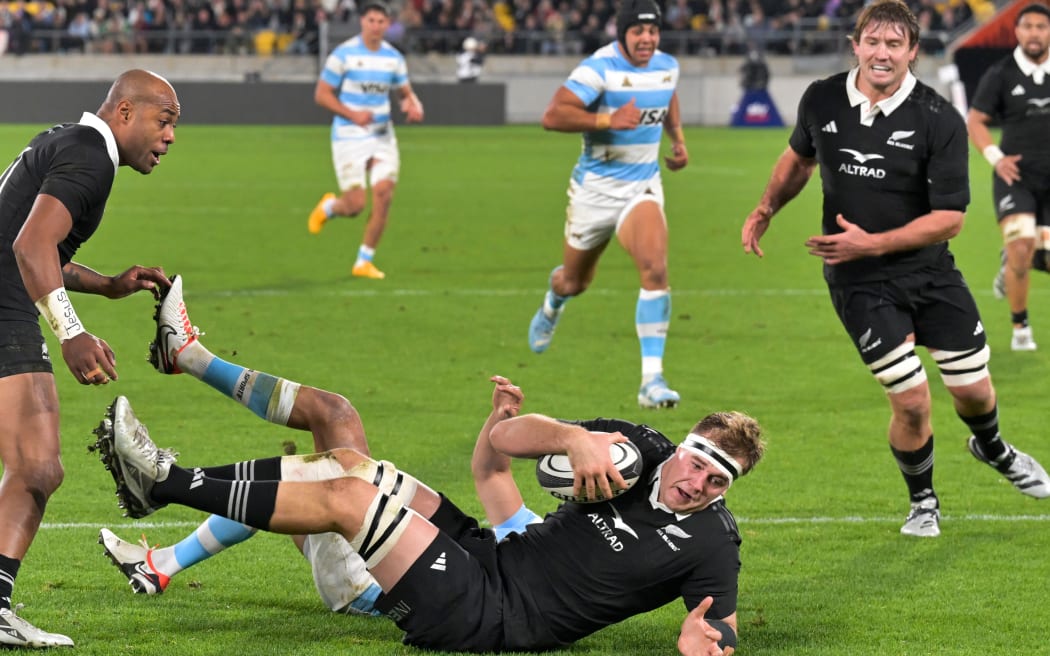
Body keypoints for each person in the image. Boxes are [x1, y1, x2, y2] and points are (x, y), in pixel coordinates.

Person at [92, 375, 763, 653]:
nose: (699, 481)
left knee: (346, 495)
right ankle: (165, 495)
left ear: (727, 490)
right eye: (699, 460)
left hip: (489, 617)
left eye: (718, 479)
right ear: (682, 446)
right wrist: (567, 436)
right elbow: (498, 458)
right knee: (353, 467)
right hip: (482, 558)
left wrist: (709, 643)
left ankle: (168, 483)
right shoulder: (639, 448)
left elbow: (722, 628)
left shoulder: (710, 541)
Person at [740, 0, 1050, 539]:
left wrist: (873, 243)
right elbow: (799, 159)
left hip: (930, 272)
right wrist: (767, 208)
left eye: (894, 45)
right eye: (872, 42)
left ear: (913, 52)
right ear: (855, 44)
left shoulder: (938, 118)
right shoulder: (822, 99)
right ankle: (923, 501)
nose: (881, 54)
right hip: (858, 280)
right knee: (911, 399)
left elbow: (950, 220)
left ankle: (994, 448)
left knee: (973, 391)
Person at [0, 69, 178, 647]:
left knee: (36, 468)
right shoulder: (91, 158)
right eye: (164, 120)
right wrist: (70, 333)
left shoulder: (70, 141)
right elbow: (30, 247)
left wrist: (105, 285)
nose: (170, 136)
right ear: (124, 113)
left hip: (6, 301)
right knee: (36, 467)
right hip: (3, 309)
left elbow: (32, 243)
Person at [526, 0, 689, 409]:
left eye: (652, 31)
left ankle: (651, 380)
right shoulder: (598, 68)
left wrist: (678, 139)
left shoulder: (667, 65)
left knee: (655, 267)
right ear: (623, 34)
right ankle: (554, 300)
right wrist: (606, 121)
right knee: (575, 282)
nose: (647, 39)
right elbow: (552, 115)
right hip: (594, 191)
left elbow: (667, 96)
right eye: (638, 31)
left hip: (641, 187)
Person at [306, 0, 425, 280]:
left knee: (384, 195)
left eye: (381, 22)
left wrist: (412, 103)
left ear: (387, 25)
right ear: (363, 22)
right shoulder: (344, 54)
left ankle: (364, 260)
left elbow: (404, 91)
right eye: (371, 20)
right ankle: (329, 207)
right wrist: (352, 114)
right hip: (349, 134)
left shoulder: (393, 58)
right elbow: (322, 94)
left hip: (382, 135)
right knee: (356, 205)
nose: (375, 26)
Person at [965, 3, 1050, 352]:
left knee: (1041, 256)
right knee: (1019, 247)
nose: (1034, 33)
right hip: (1016, 177)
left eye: (1041, 27)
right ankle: (1021, 329)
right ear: (1016, 32)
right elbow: (975, 121)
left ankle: (1019, 258)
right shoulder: (1000, 74)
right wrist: (996, 159)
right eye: (1027, 26)